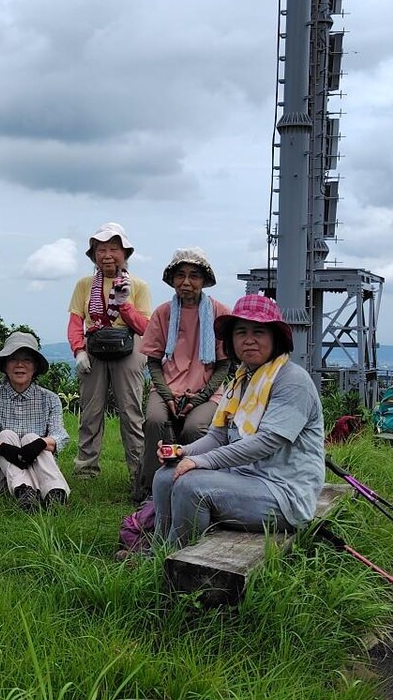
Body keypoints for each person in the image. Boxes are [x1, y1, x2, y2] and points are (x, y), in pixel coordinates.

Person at [150, 294, 326, 549]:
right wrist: (182, 452)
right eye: (241, 332)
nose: (249, 339)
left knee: (191, 486)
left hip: (283, 492)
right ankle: (158, 553)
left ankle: (182, 565)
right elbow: (218, 437)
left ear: (275, 338)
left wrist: (202, 461)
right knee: (166, 475)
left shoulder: (292, 380)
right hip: (244, 478)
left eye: (259, 332)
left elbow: (267, 441)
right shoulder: (241, 381)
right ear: (232, 341)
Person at [136, 248, 232, 497]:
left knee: (196, 428)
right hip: (166, 386)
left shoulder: (220, 312)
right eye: (180, 275)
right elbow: (153, 360)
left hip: (207, 391)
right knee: (155, 421)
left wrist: (200, 398)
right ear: (172, 279)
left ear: (204, 280)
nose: (186, 282)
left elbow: (224, 364)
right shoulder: (163, 313)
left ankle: (194, 485)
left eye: (194, 275)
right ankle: (151, 487)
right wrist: (167, 395)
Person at [66, 222, 151, 496]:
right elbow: (75, 320)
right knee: (90, 411)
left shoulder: (137, 286)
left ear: (125, 253)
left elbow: (144, 328)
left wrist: (124, 305)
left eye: (114, 249)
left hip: (128, 346)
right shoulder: (84, 285)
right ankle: (85, 470)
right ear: (93, 255)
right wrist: (78, 350)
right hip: (94, 346)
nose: (107, 255)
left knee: (131, 412)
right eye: (101, 249)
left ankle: (138, 472)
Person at [0, 332, 70, 510]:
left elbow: (60, 436)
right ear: (5, 365)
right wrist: (4, 448)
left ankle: (55, 493)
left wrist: (38, 444)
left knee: (33, 438)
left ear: (34, 367)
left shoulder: (50, 399)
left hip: (37, 468)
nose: (20, 365)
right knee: (6, 435)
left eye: (26, 359)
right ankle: (23, 490)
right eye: (13, 359)